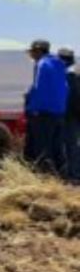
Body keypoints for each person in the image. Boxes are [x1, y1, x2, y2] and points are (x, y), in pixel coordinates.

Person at [24, 39, 68, 175]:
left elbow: (39, 88)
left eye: (32, 52)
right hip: (59, 111)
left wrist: (31, 108)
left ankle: (44, 176)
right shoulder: (59, 64)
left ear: (38, 51)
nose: (31, 55)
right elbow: (65, 87)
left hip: (43, 112)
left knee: (42, 146)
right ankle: (62, 174)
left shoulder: (42, 64)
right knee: (57, 146)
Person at [61, 47, 80, 183]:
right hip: (76, 113)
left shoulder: (69, 74)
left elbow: (72, 96)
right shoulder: (76, 71)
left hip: (71, 114)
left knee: (70, 144)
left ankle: (73, 174)